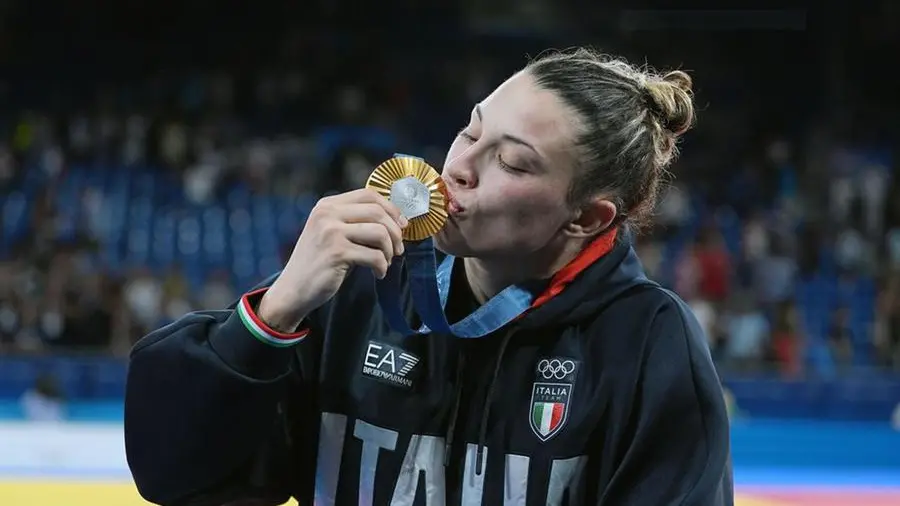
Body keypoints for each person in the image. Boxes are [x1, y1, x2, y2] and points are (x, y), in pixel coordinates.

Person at [125, 48, 733, 506]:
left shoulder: (649, 346)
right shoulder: (355, 288)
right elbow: (171, 475)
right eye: (470, 130)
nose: (460, 166)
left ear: (585, 217)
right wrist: (272, 314)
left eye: (513, 161)